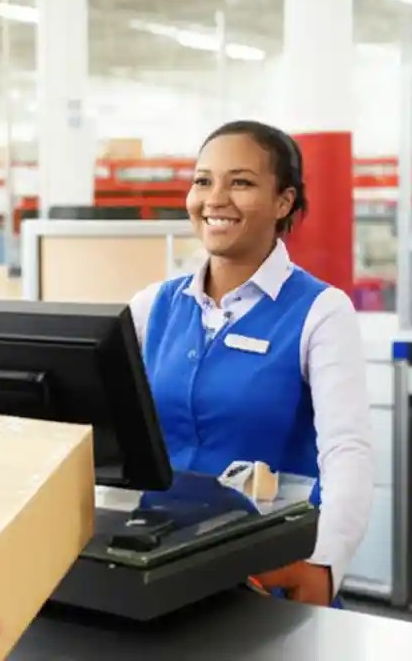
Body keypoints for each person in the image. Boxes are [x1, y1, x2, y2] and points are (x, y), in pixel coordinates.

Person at [128, 120, 374, 606]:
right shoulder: (150, 306)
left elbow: (348, 452)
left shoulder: (321, 311)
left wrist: (324, 562)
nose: (215, 198)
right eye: (203, 180)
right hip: (159, 561)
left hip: (269, 570)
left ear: (283, 202)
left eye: (240, 182)